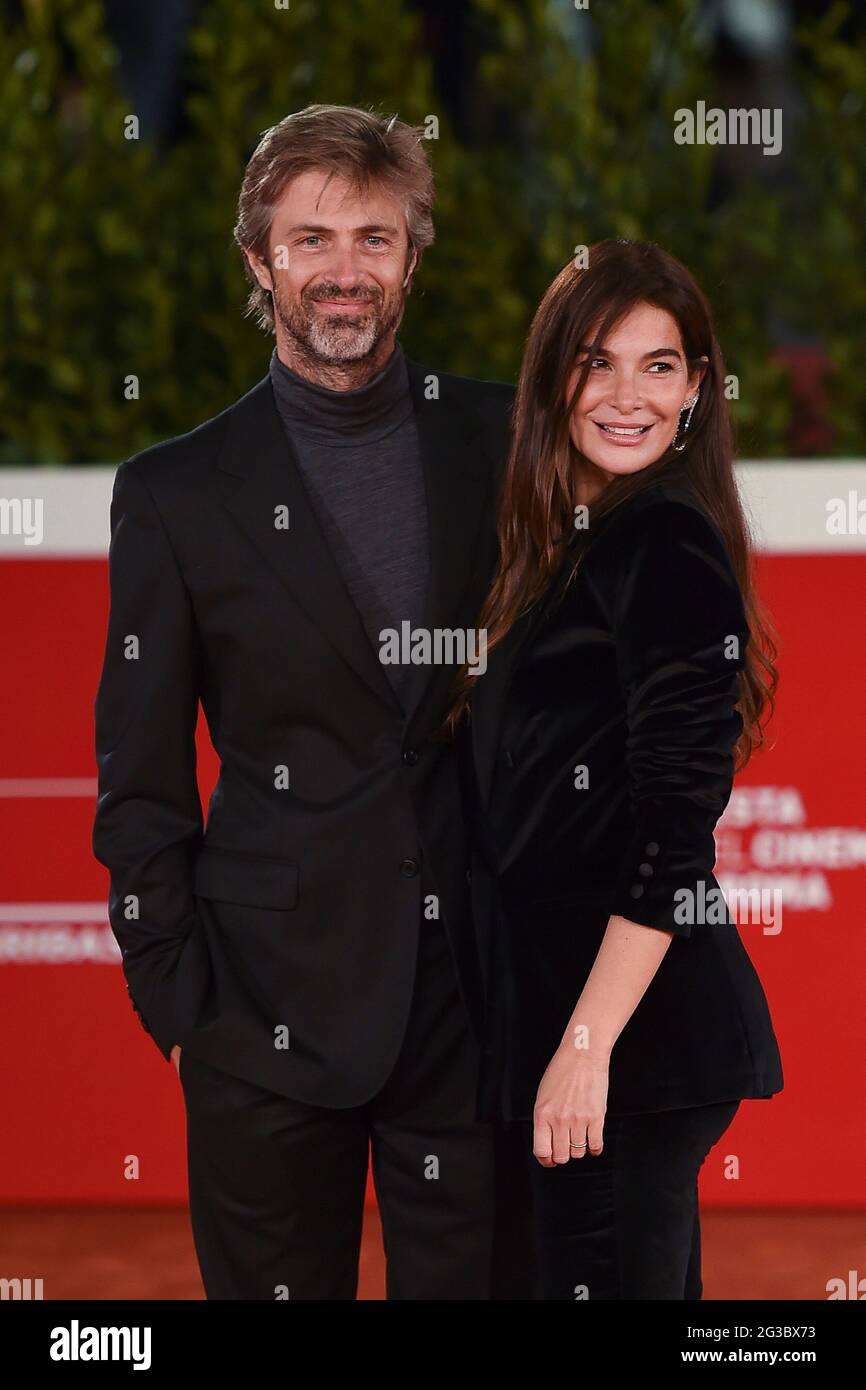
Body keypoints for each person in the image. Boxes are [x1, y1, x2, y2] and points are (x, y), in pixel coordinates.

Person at [92, 103, 533, 1300]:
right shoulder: (176, 493)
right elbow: (136, 785)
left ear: (413, 253)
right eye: (312, 239)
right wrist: (183, 1007)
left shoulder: (502, 439)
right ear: (259, 260)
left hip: (469, 1014)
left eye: (375, 238)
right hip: (260, 1019)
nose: (345, 271)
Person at [446, 238, 784, 1300]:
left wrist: (585, 1045)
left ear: (694, 390)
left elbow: (674, 838)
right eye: (597, 361)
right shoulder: (572, 541)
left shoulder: (662, 546)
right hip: (584, 1035)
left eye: (659, 365)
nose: (626, 395)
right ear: (554, 376)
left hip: (625, 1049)